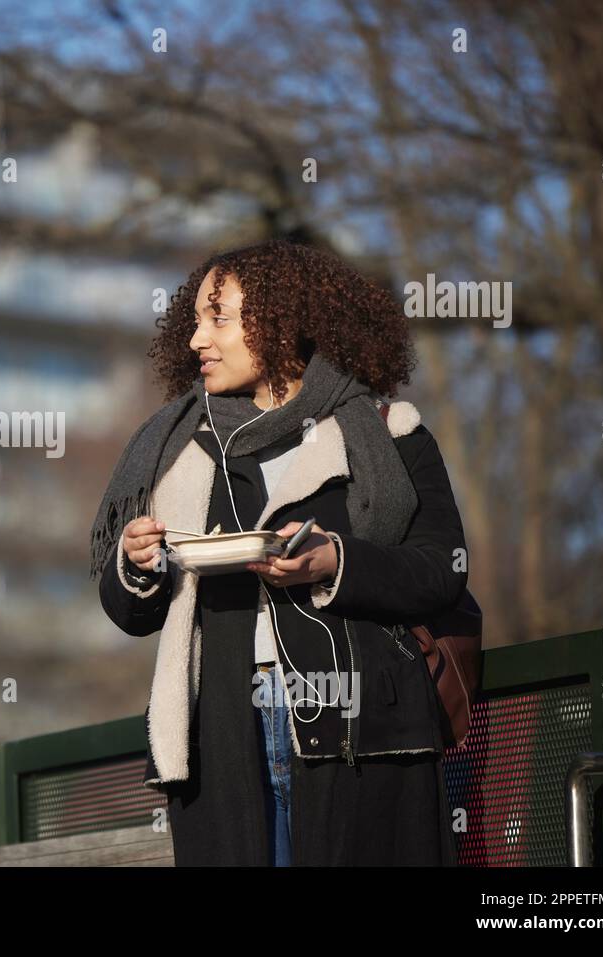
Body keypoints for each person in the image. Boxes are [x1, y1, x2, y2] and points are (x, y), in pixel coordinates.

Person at [89, 239, 467, 865]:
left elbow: (441, 570)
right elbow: (128, 613)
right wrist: (136, 562)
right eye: (194, 322)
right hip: (221, 744)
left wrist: (335, 564)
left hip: (362, 739)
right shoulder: (180, 451)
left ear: (281, 322)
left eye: (219, 319)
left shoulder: (392, 432)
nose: (195, 342)